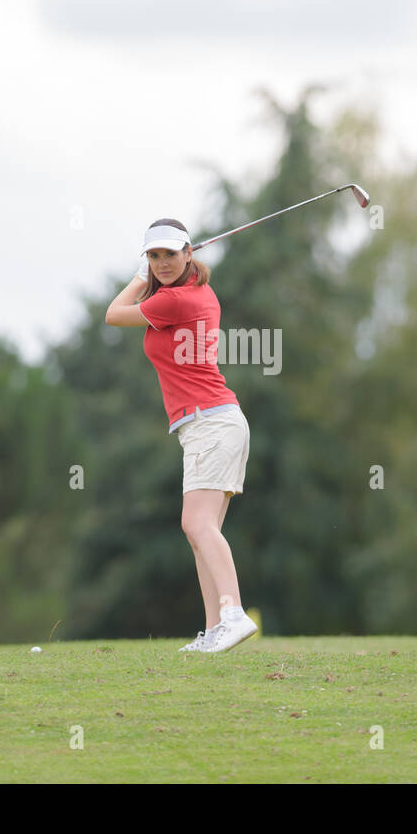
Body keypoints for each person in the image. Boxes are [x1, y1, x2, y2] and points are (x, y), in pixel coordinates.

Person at [105, 218, 258, 654]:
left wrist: (139, 278)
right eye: (153, 256)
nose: (161, 263)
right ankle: (214, 631)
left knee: (197, 524)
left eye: (170, 254)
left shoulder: (174, 301)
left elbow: (114, 314)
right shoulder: (196, 292)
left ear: (189, 253)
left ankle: (233, 614)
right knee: (200, 532)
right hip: (209, 424)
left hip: (211, 422)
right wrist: (160, 274)